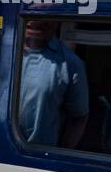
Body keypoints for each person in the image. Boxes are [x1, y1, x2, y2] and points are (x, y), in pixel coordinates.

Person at [20, 18, 89, 148]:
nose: (38, 20)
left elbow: (79, 117)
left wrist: (61, 155)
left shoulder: (71, 64)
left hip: (37, 158)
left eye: (47, 14)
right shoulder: (2, 50)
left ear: (57, 20)